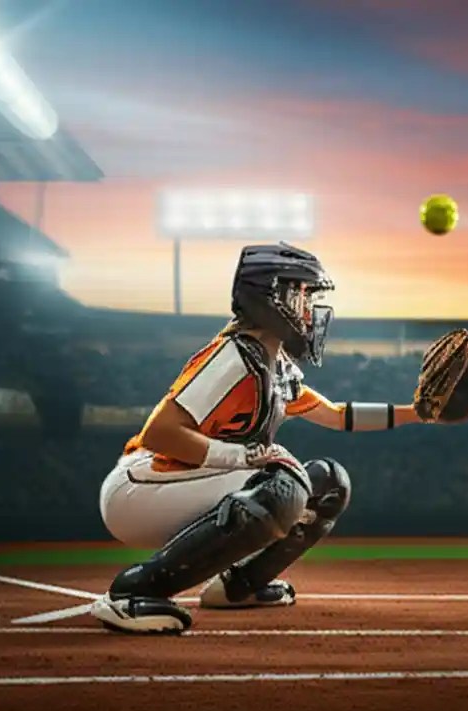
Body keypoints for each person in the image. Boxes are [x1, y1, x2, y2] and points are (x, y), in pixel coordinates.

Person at [90, 242, 424, 634]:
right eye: (302, 294)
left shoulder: (274, 364)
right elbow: (160, 434)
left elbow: (336, 415)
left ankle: (238, 586)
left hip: (182, 481)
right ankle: (134, 591)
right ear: (272, 296)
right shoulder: (233, 357)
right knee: (285, 483)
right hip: (141, 488)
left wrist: (418, 412)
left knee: (328, 482)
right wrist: (246, 457)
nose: (309, 308)